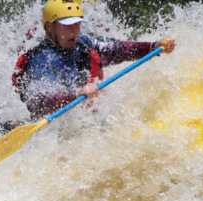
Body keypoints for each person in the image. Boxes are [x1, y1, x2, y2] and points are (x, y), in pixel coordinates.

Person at [12, 0, 176, 119]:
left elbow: (117, 50)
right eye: (67, 26)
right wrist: (77, 93)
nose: (74, 31)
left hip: (86, 121)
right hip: (53, 131)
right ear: (49, 27)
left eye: (77, 24)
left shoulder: (82, 45)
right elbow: (37, 102)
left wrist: (153, 47)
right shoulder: (42, 59)